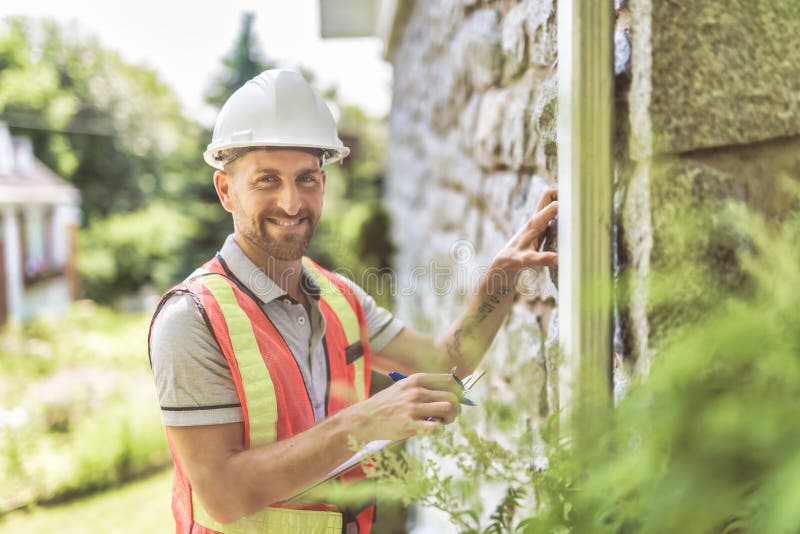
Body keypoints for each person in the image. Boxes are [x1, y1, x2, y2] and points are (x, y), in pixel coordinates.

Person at [148, 69, 558, 534]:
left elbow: (446, 364)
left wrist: (503, 276)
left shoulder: (339, 298)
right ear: (226, 190)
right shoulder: (192, 319)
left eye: (306, 178)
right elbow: (224, 495)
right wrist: (367, 420)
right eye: (266, 179)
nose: (291, 202)